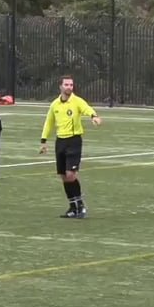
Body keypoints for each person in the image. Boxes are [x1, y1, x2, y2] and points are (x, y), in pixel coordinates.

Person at [39, 76, 102, 218]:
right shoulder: (55, 105)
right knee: (63, 176)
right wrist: (43, 141)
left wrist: (94, 116)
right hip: (60, 142)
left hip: (73, 141)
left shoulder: (77, 101)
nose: (69, 87)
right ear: (60, 86)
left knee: (71, 174)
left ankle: (80, 205)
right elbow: (49, 123)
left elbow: (86, 108)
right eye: (66, 84)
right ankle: (72, 207)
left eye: (71, 85)